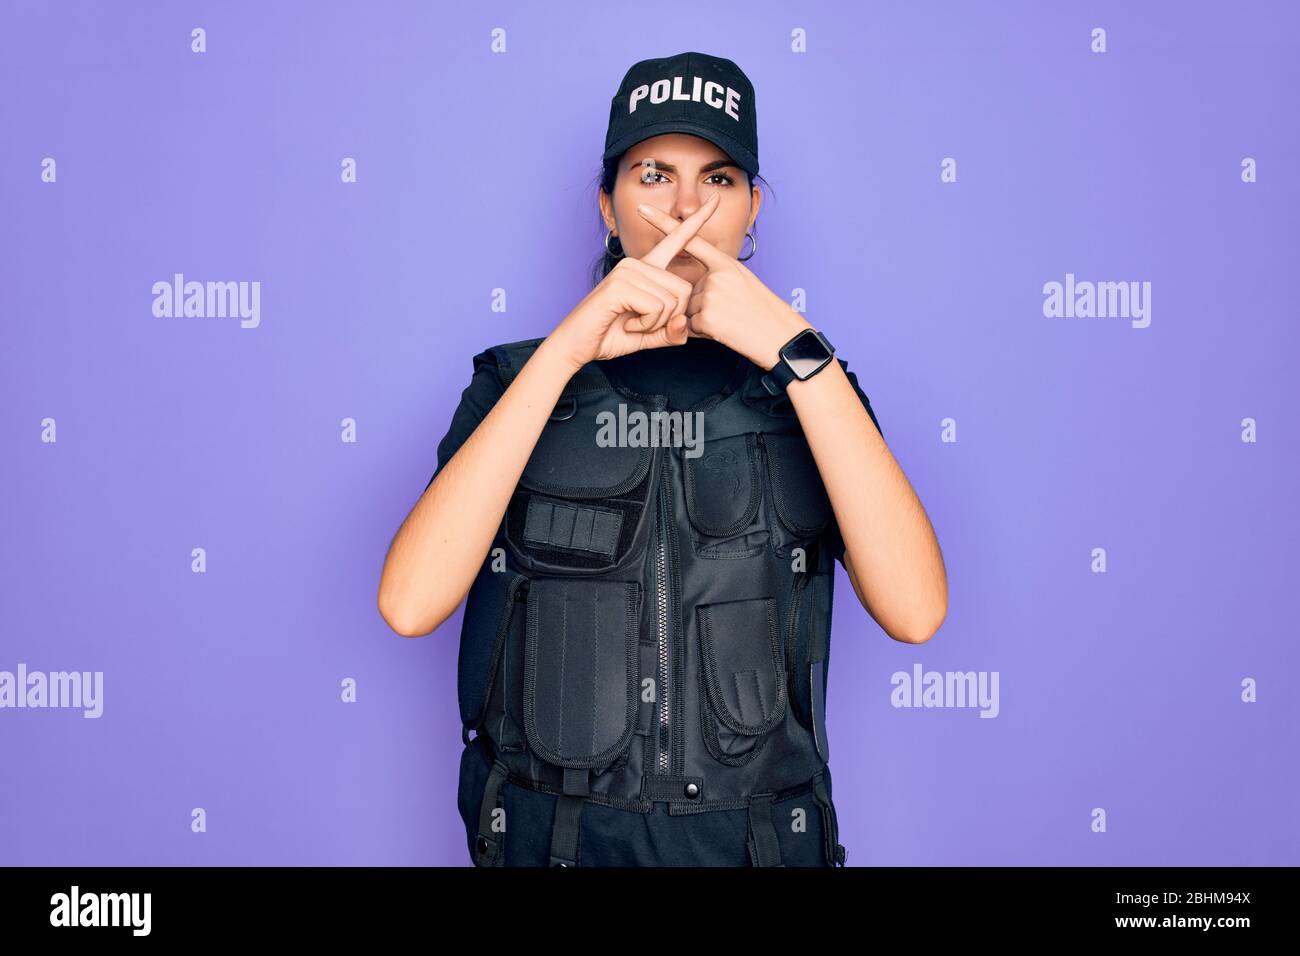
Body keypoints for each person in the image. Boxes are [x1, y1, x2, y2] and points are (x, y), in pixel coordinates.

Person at [378, 51, 947, 866]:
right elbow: (409, 604)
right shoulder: (515, 381)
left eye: (718, 180)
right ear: (607, 206)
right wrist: (565, 352)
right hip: (554, 845)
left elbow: (916, 612)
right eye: (653, 174)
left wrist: (800, 355)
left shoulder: (817, 390)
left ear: (752, 209)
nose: (685, 209)